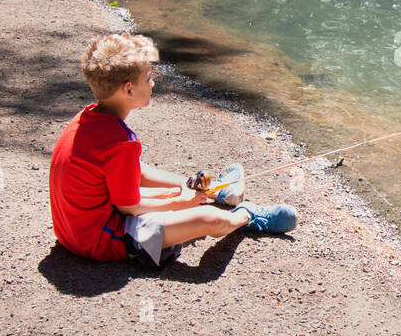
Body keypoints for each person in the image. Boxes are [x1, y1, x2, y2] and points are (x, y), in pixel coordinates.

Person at [49, 32, 297, 269]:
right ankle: (246, 215)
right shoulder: (122, 143)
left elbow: (131, 179)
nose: (153, 83)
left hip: (72, 231)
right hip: (101, 238)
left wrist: (179, 193)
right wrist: (179, 202)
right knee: (208, 219)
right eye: (148, 78)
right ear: (128, 90)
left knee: (143, 174)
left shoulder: (87, 118)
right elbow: (128, 207)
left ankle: (217, 191)